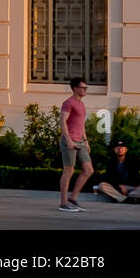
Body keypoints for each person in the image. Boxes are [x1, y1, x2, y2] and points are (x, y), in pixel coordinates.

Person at [59, 77, 93, 212]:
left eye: (86, 88)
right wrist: (68, 140)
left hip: (81, 141)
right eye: (82, 88)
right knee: (69, 170)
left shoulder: (82, 104)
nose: (85, 90)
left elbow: (81, 125)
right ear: (75, 88)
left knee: (88, 170)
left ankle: (73, 198)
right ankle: (63, 203)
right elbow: (62, 121)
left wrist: (86, 141)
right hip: (70, 140)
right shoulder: (68, 103)